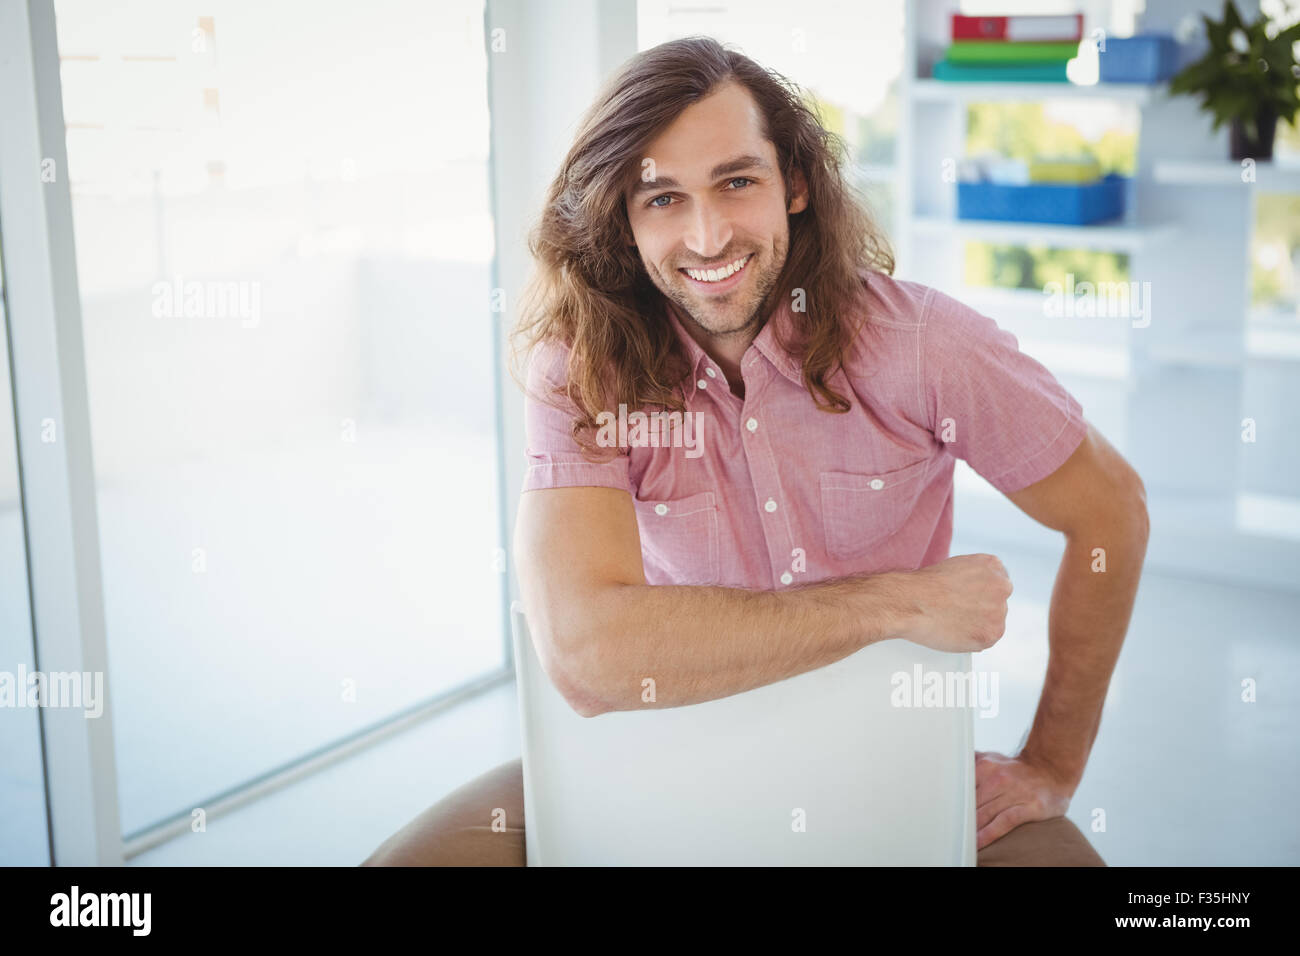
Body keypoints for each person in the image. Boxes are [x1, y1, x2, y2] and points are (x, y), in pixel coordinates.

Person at [364, 36, 1148, 867]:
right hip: (655, 744)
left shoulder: (920, 345)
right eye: (662, 198)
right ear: (621, 219)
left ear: (796, 185)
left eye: (737, 182)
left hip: (885, 757)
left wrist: (1052, 764)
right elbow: (587, 653)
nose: (707, 238)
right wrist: (894, 603)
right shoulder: (583, 369)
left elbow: (1111, 514)